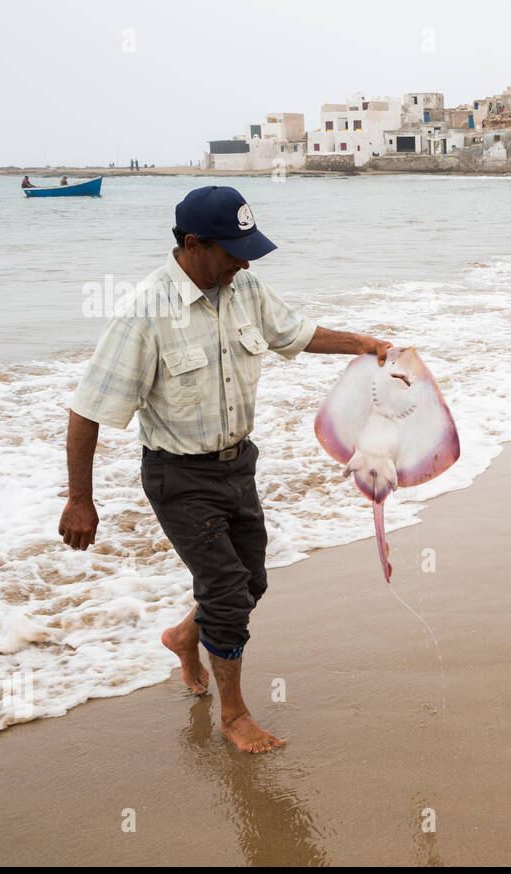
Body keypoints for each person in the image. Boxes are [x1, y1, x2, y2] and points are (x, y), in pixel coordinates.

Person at [60, 185, 392, 754]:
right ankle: (233, 716)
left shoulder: (244, 286)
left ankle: (185, 637)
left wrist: (365, 344)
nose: (244, 261)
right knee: (228, 593)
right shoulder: (145, 313)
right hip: (179, 478)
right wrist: (80, 500)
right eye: (234, 251)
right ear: (193, 244)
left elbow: (295, 335)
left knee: (251, 581)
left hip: (239, 464)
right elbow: (88, 410)